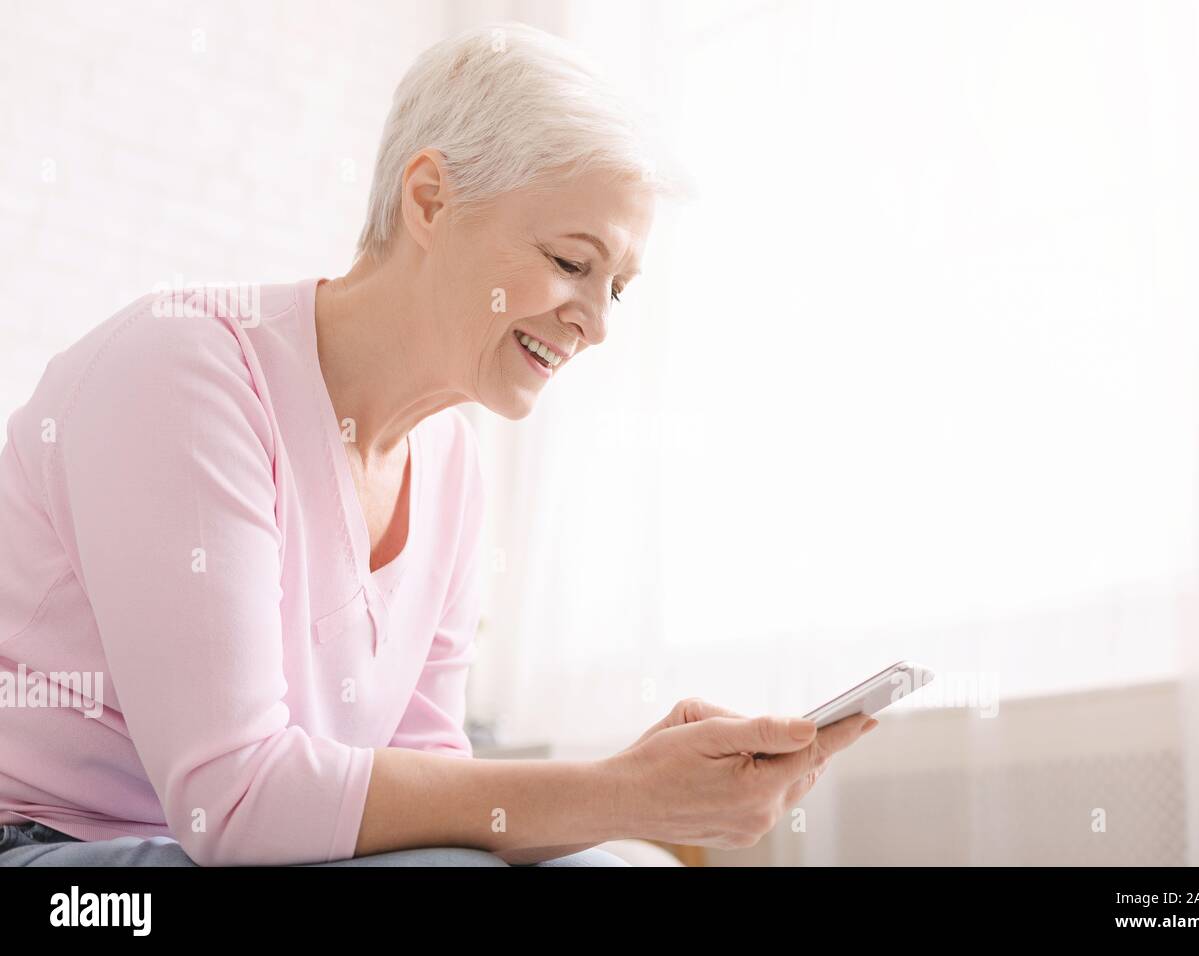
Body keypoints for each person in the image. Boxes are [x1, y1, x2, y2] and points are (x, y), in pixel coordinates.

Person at [0, 21, 877, 868]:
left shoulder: (452, 466)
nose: (599, 323)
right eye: (573, 262)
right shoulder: (186, 370)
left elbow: (441, 800)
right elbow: (229, 801)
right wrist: (618, 793)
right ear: (430, 199)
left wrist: (636, 793)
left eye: (619, 287)